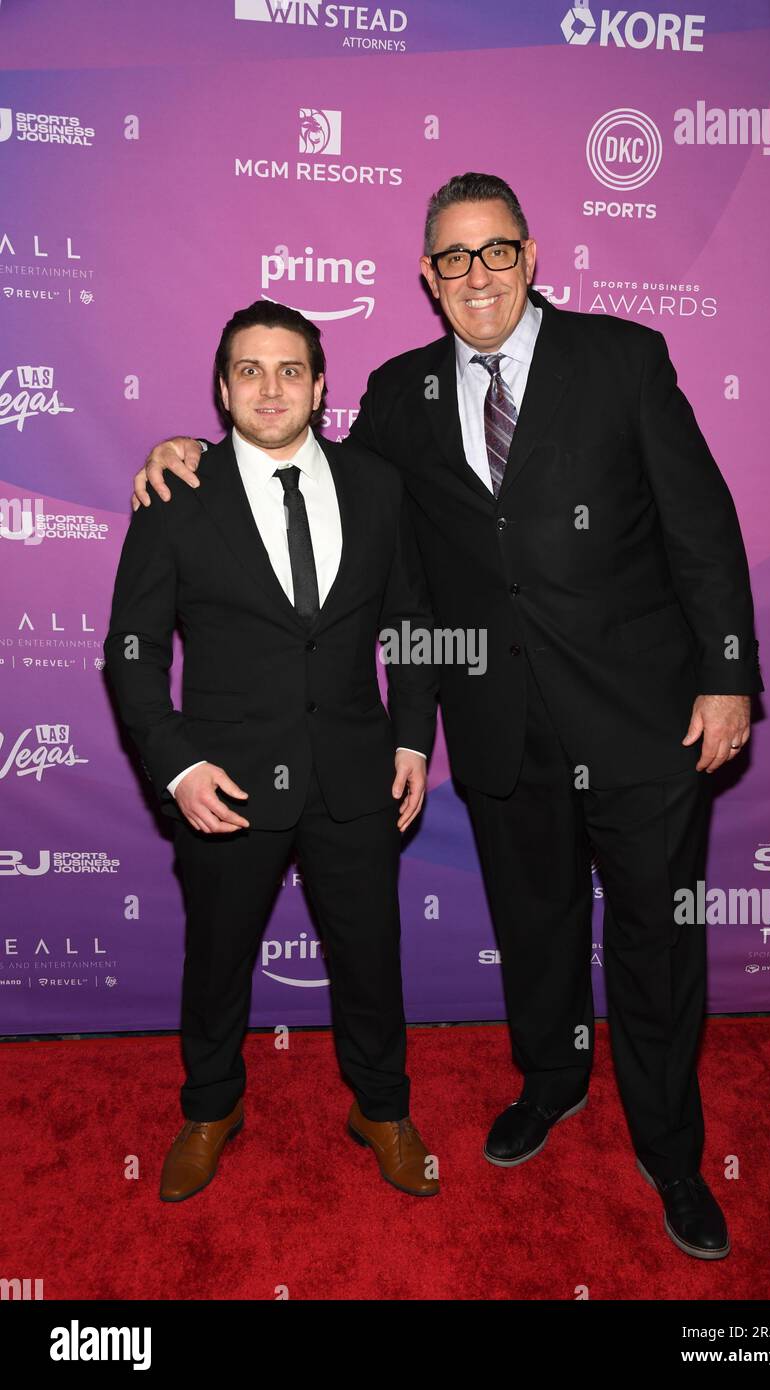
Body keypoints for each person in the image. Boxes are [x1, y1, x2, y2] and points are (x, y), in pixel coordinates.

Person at [132, 174, 763, 1259]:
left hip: (643, 716)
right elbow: (297, 457)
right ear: (427, 277)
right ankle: (551, 1083)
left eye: (495, 250)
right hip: (501, 723)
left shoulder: (623, 359)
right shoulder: (400, 393)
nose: (477, 274)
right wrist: (182, 451)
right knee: (537, 927)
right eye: (453, 258)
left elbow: (699, 524)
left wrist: (727, 674)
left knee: (657, 948)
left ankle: (669, 1152)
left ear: (530, 253)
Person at [106, 301, 440, 1202]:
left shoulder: (377, 485)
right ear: (221, 390)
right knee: (216, 959)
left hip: (356, 772)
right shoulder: (176, 492)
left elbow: (410, 619)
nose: (270, 387)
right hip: (226, 781)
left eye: (290, 369)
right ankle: (211, 1108)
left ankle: (382, 1108)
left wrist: (413, 735)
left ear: (321, 387)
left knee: (372, 955)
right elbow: (131, 651)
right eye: (249, 370)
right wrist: (176, 765)